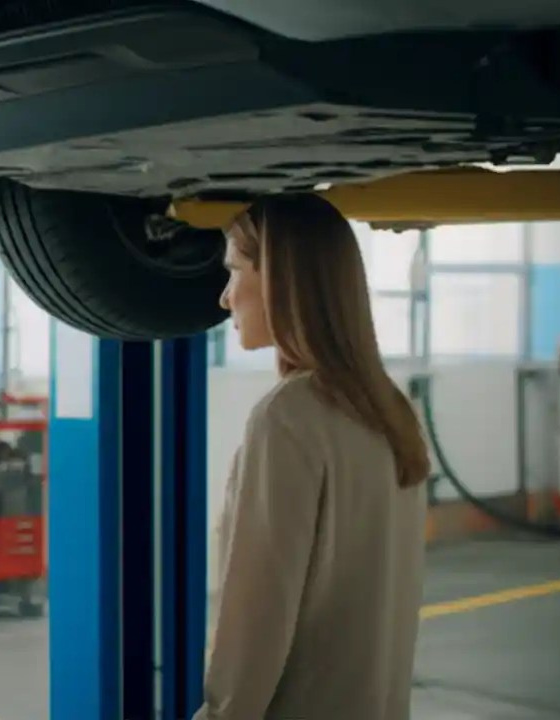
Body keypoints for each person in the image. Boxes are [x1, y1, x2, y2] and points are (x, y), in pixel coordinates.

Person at [194, 194, 430, 720]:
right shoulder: (390, 409)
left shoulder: (288, 418)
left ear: (281, 280)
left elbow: (258, 622)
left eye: (235, 271)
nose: (225, 298)